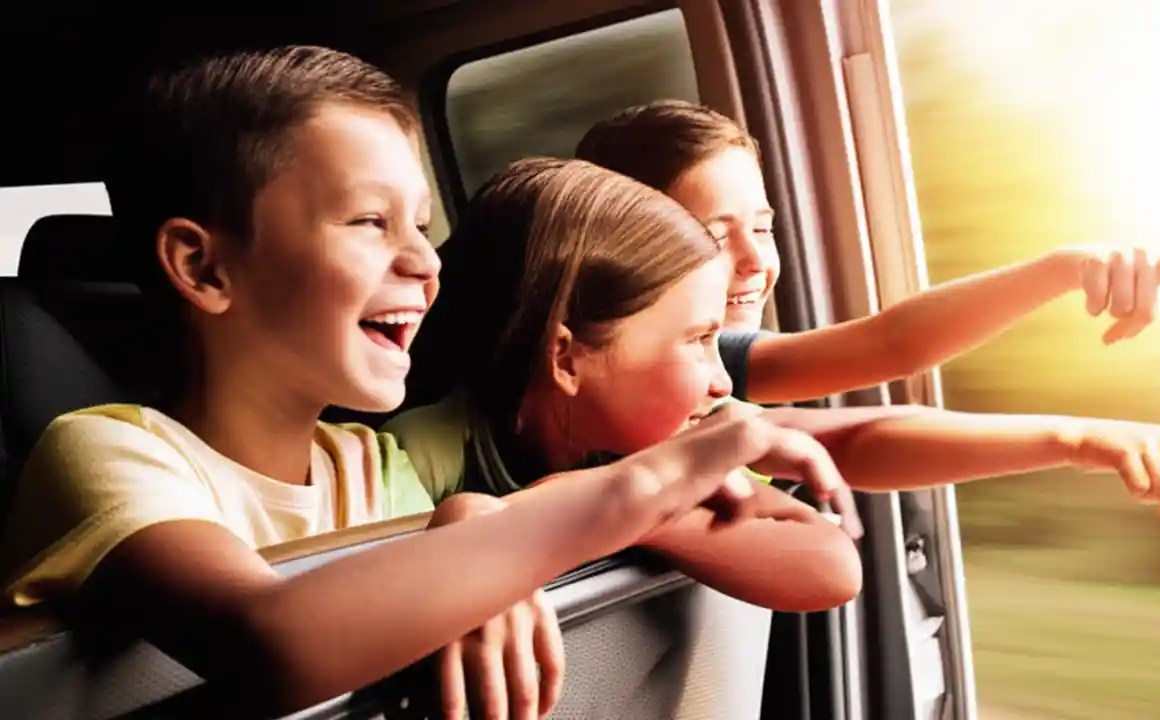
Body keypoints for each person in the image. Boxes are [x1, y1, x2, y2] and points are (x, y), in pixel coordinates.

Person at [0, 47, 851, 718]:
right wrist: (645, 483)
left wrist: (471, 521)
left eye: (421, 223)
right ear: (203, 266)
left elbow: (429, 564)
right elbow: (274, 646)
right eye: (371, 222)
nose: (422, 261)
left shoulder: (368, 464)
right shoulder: (106, 452)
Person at [388, 155, 1160, 585]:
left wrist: (1074, 434)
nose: (721, 372)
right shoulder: (416, 456)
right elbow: (879, 355)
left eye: (760, 225)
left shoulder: (665, 427)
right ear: (569, 354)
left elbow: (843, 489)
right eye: (694, 339)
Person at [574, 98, 1160, 536]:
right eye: (716, 235)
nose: (754, 259)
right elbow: (847, 431)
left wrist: (1065, 279)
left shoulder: (719, 367)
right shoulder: (585, 395)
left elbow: (888, 355)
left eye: (764, 226)